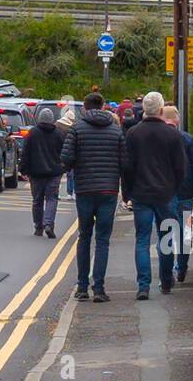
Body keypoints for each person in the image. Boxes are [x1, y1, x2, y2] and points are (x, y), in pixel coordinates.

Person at [121, 91, 187, 300]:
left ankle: (143, 286)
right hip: (165, 193)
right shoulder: (173, 135)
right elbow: (180, 168)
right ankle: (166, 281)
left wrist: (127, 193)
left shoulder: (133, 134)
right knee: (165, 238)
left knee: (141, 240)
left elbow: (127, 167)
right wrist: (173, 188)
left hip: (141, 194)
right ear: (160, 110)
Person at [59, 92, 124, 304]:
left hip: (85, 190)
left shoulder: (77, 129)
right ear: (104, 106)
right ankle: (99, 288)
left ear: (85, 108)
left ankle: (81, 287)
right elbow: (125, 163)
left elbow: (66, 159)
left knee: (84, 236)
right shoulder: (116, 131)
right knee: (103, 240)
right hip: (108, 191)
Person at [162, 105, 193, 283]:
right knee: (183, 233)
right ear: (177, 120)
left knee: (165, 231)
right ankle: (181, 267)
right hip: (185, 192)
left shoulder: (157, 138)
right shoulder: (187, 139)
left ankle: (166, 276)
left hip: (163, 192)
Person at [21, 105, 64, 238]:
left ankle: (38, 226)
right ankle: (49, 224)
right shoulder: (59, 133)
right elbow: (63, 152)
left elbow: (25, 152)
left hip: (36, 172)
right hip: (54, 172)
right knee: (52, 198)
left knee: (37, 200)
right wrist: (64, 166)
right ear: (52, 119)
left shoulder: (32, 133)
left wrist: (23, 169)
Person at [57, 97, 77, 199]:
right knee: (71, 174)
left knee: (58, 174)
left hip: (57, 152)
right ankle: (70, 192)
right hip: (69, 152)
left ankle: (56, 192)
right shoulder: (72, 128)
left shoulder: (57, 125)